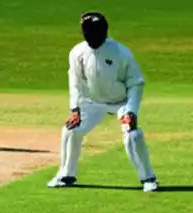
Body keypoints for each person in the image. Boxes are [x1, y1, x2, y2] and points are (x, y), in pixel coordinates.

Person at [47, 12, 157, 191]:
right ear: (85, 33)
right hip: (92, 102)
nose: (96, 36)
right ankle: (66, 174)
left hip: (120, 101)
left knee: (131, 134)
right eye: (91, 33)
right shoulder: (78, 52)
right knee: (70, 130)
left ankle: (148, 178)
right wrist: (75, 109)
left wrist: (131, 111)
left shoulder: (120, 52)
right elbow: (74, 82)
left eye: (99, 32)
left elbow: (136, 82)